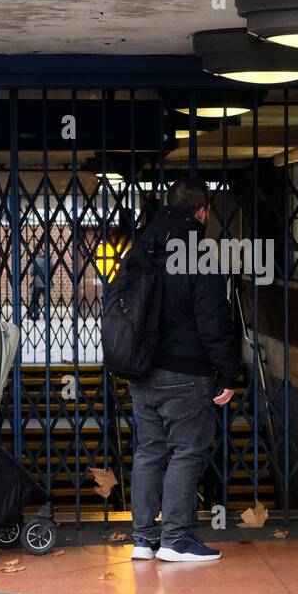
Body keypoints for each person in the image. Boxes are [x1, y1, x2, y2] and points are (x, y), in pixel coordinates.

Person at [128, 177, 241, 562]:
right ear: (202, 211)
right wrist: (228, 374)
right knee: (187, 453)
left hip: (142, 370)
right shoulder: (197, 252)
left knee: (148, 453)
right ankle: (176, 540)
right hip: (186, 373)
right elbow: (214, 319)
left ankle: (143, 540)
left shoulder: (140, 247)